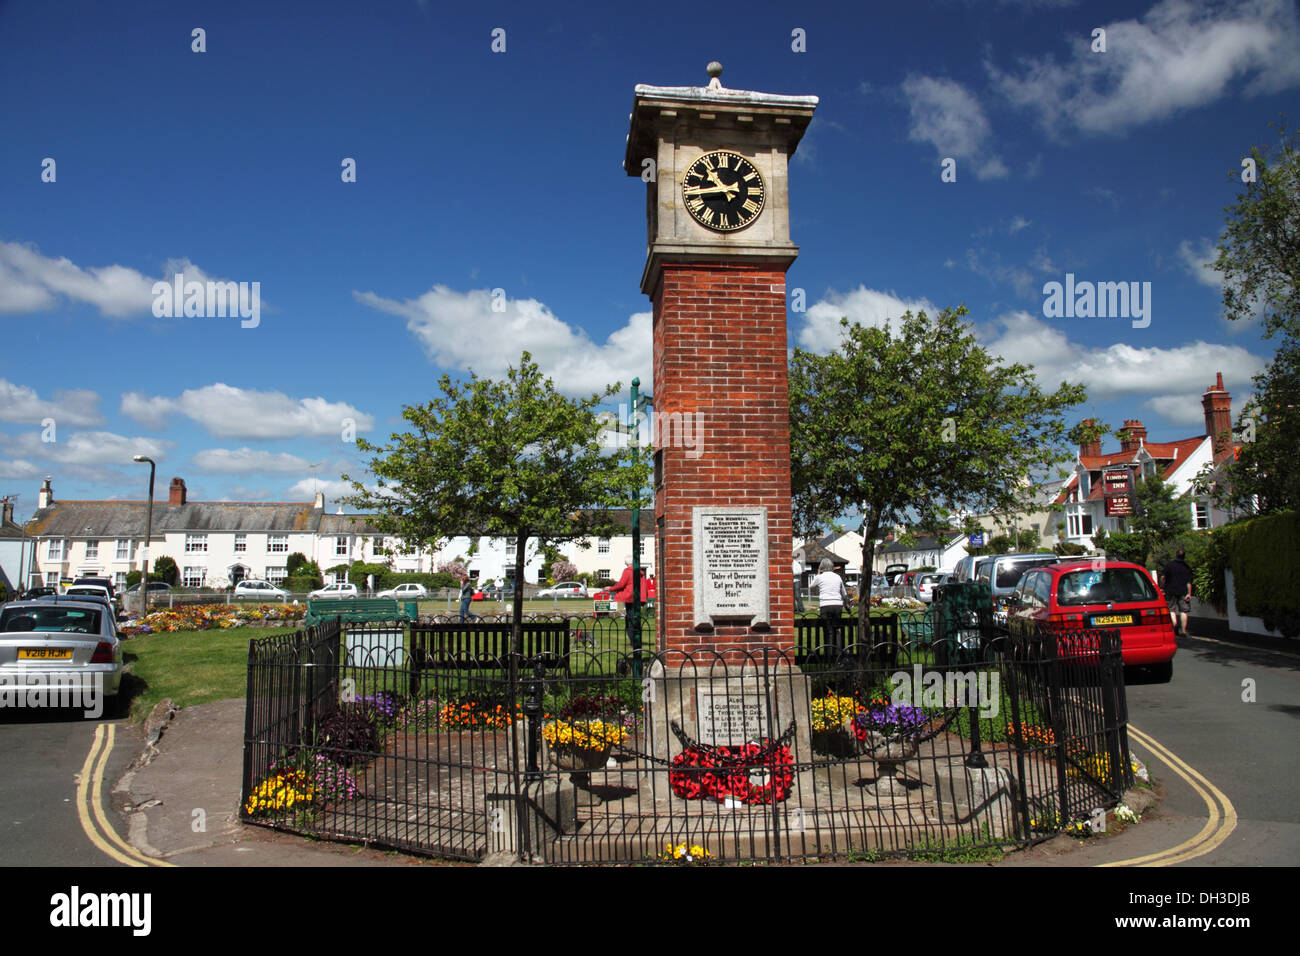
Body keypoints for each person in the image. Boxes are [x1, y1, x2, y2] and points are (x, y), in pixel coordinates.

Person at [812, 557, 848, 649]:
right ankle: (837, 649)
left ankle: (829, 649)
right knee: (836, 628)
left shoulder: (820, 577)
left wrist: (818, 573)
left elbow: (811, 586)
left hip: (825, 604)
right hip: (837, 604)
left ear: (821, 567)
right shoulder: (837, 577)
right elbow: (844, 593)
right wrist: (846, 604)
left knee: (827, 630)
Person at [1159, 549, 1193, 637]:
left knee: (1171, 609)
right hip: (1183, 591)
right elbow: (1189, 582)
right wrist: (1189, 593)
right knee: (1183, 611)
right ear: (1184, 556)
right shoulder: (1186, 567)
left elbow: (1163, 577)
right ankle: (1184, 631)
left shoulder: (1169, 565)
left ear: (1175, 555)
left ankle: (1174, 625)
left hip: (1170, 591)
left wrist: (1162, 587)